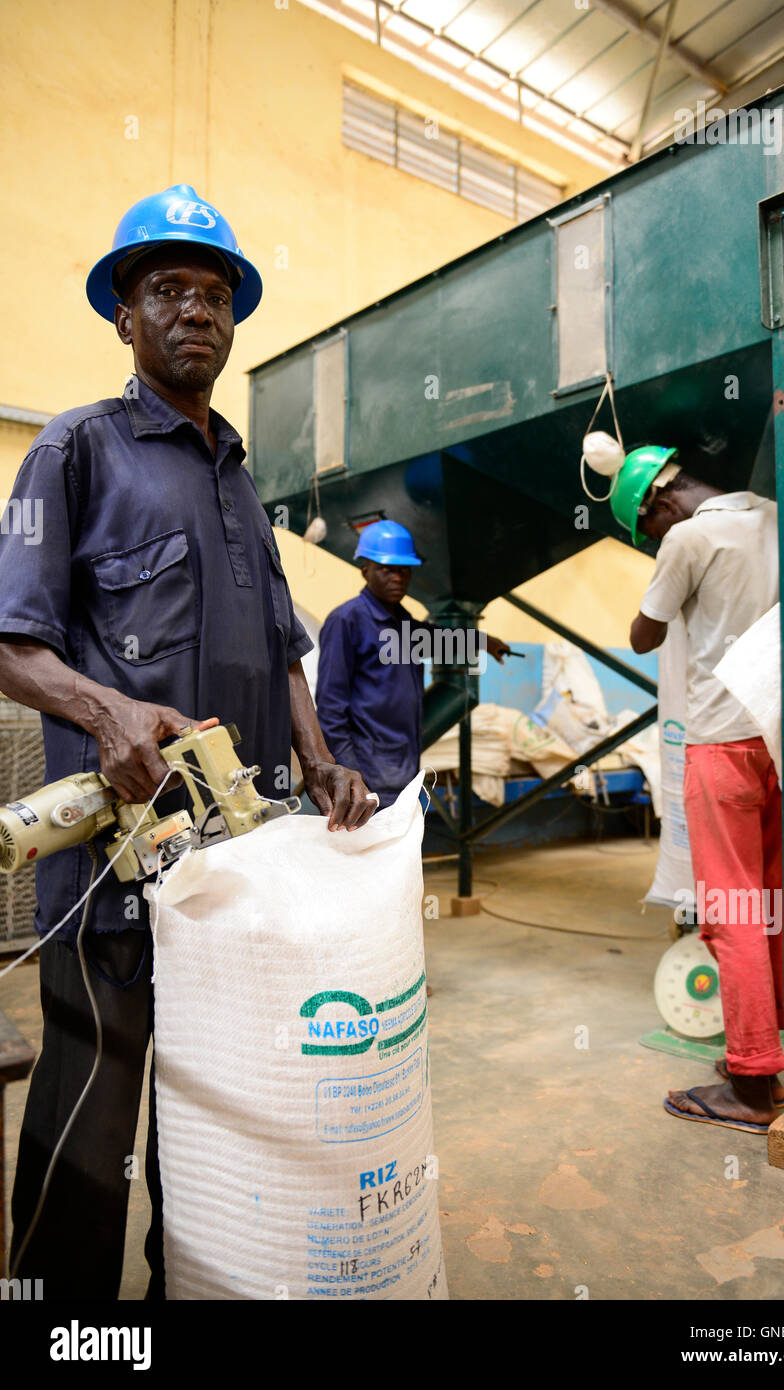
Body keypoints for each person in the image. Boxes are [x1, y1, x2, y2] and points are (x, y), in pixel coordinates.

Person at [0, 184, 375, 1299]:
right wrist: (105, 710)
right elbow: (10, 643)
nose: (194, 312)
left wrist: (316, 756)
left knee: (211, 1120)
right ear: (125, 313)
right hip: (115, 875)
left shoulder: (242, 487)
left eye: (213, 295)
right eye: (168, 290)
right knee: (89, 1125)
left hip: (238, 873)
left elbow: (284, 650)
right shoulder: (74, 452)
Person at [612, 445, 784, 1134]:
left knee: (732, 913)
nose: (655, 540)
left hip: (721, 746)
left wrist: (669, 573)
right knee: (774, 904)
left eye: (648, 530)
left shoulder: (690, 537)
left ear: (657, 502)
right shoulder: (782, 518)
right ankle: (775, 1056)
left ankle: (753, 1088)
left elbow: (643, 635)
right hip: (782, 738)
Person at [315, 520, 510, 809]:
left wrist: (484, 642)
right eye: (387, 570)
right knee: (368, 851)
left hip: (404, 768)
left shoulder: (404, 624)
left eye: (404, 571)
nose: (397, 578)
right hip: (366, 771)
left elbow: (441, 639)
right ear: (365, 570)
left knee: (402, 850)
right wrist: (349, 772)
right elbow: (330, 708)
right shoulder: (347, 621)